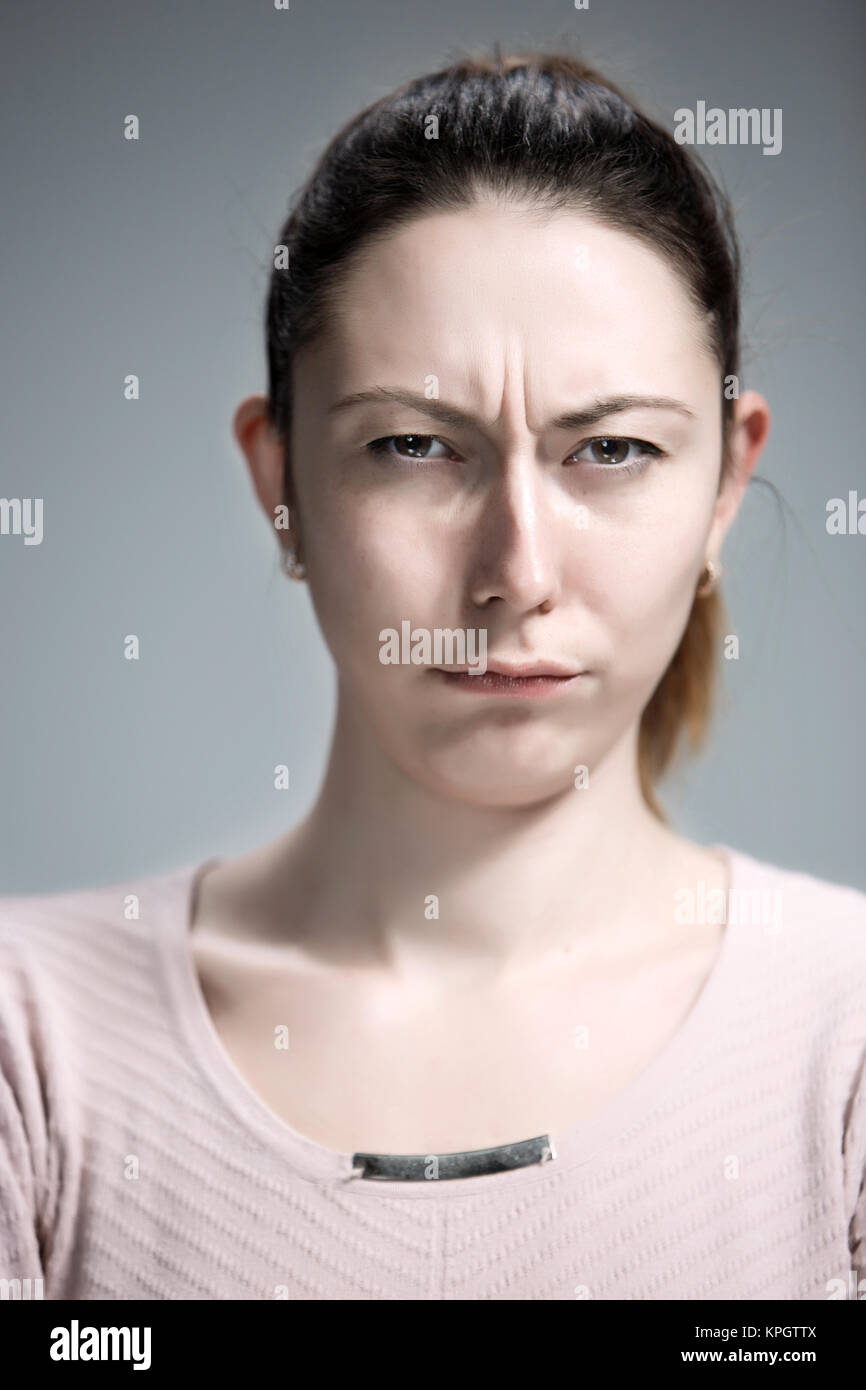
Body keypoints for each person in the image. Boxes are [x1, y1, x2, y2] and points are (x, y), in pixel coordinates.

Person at [2, 49, 864, 1302]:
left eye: (611, 449)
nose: (514, 571)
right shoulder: (32, 1046)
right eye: (411, 446)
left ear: (725, 482)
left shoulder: (844, 1047)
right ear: (279, 483)